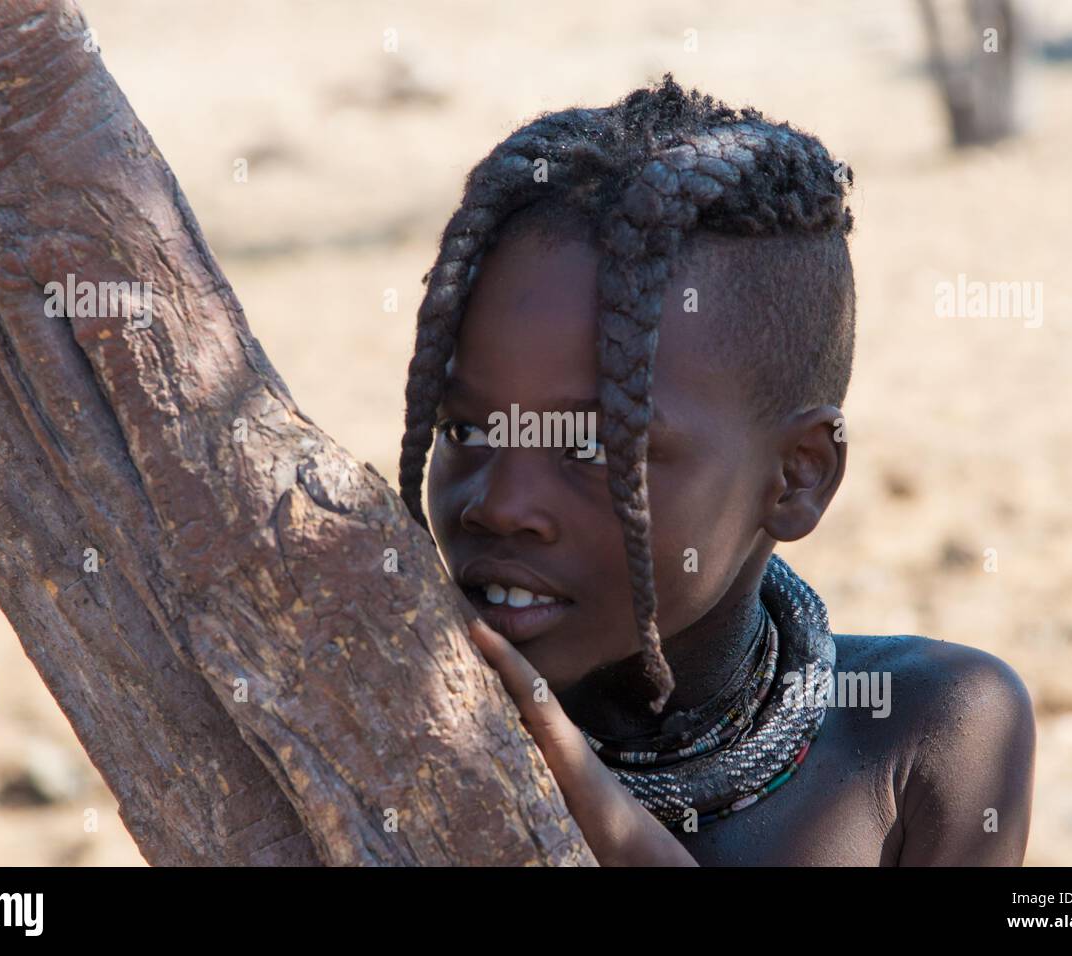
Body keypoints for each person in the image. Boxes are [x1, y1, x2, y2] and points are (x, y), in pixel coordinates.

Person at [397, 74, 1035, 865]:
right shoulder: (382, 734)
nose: (501, 502)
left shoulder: (926, 734)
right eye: (466, 426)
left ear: (798, 478)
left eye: (597, 447)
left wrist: (609, 825)